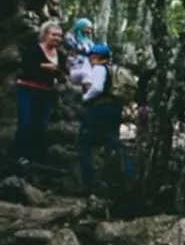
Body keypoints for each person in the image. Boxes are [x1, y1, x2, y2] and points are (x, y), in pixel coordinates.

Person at [11, 21, 68, 166]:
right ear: (45, 35)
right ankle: (19, 156)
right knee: (26, 122)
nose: (57, 38)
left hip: (46, 91)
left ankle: (35, 157)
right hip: (27, 89)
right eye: (53, 35)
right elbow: (26, 68)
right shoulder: (34, 50)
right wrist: (44, 66)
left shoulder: (60, 55)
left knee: (41, 125)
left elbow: (63, 73)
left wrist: (57, 72)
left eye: (59, 36)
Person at [77, 44, 124, 190]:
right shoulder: (114, 69)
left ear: (96, 57)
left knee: (83, 142)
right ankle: (115, 178)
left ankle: (89, 180)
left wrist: (84, 98)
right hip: (115, 109)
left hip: (100, 108)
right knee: (111, 141)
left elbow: (97, 88)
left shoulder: (99, 68)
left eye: (91, 57)